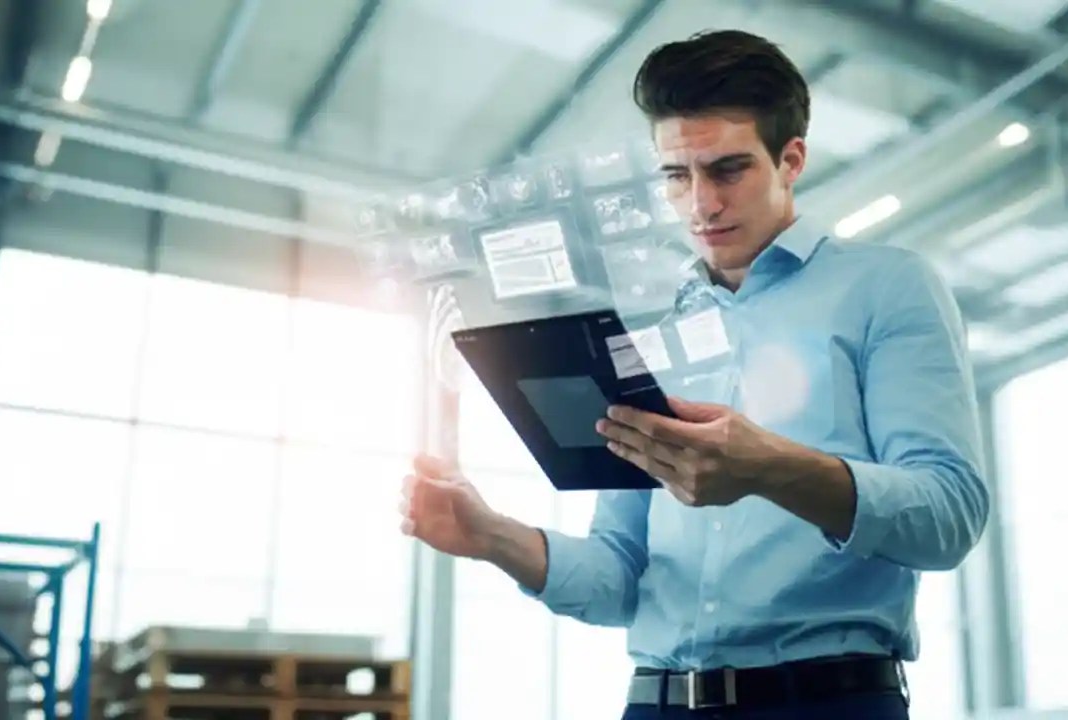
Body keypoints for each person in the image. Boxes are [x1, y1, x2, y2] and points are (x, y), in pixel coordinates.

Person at [399, 29, 989, 720]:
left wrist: (769, 467)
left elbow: (949, 515)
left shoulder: (888, 287)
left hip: (825, 704)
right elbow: (620, 576)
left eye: (727, 169)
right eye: (676, 176)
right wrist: (493, 537)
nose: (700, 203)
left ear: (790, 159)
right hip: (656, 704)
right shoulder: (647, 330)